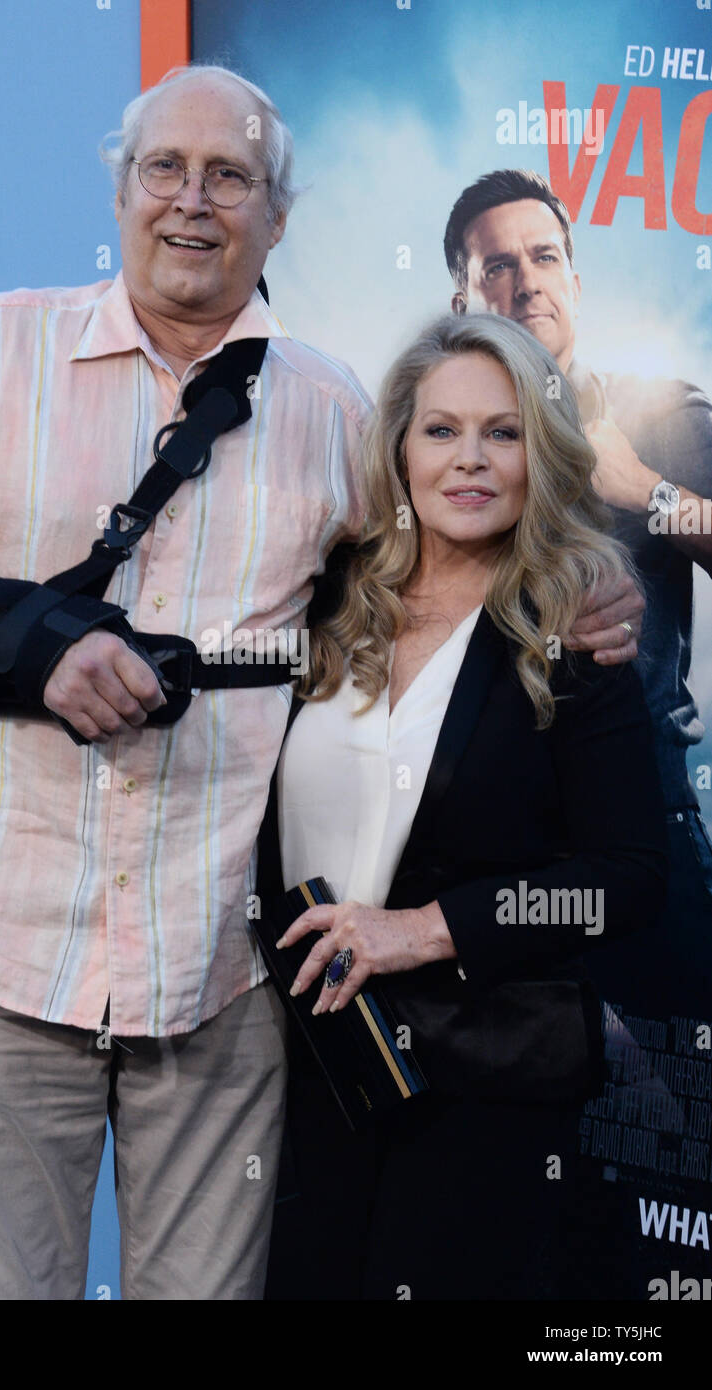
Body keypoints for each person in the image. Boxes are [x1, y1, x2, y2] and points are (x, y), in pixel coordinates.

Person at [0, 72, 642, 1302]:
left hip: (222, 987)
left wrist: (588, 578)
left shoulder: (333, 411)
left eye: (230, 177)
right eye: (165, 168)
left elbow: (452, 546)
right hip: (4, 964)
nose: (192, 202)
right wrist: (38, 641)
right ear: (119, 191)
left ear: (278, 216)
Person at [257, 312, 668, 1301]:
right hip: (297, 1070)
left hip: (476, 1084)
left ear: (540, 452)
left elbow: (626, 880)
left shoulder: (572, 629)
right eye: (441, 430)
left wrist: (425, 930)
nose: (469, 459)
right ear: (399, 448)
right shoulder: (320, 598)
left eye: (503, 432)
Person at [443, 169, 712, 1021]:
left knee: (680, 1095)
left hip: (642, 834)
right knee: (516, 1103)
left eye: (543, 257)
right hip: (481, 856)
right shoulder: (429, 446)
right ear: (460, 300)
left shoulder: (657, 415)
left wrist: (645, 492)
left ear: (575, 281)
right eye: (496, 266)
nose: (525, 282)